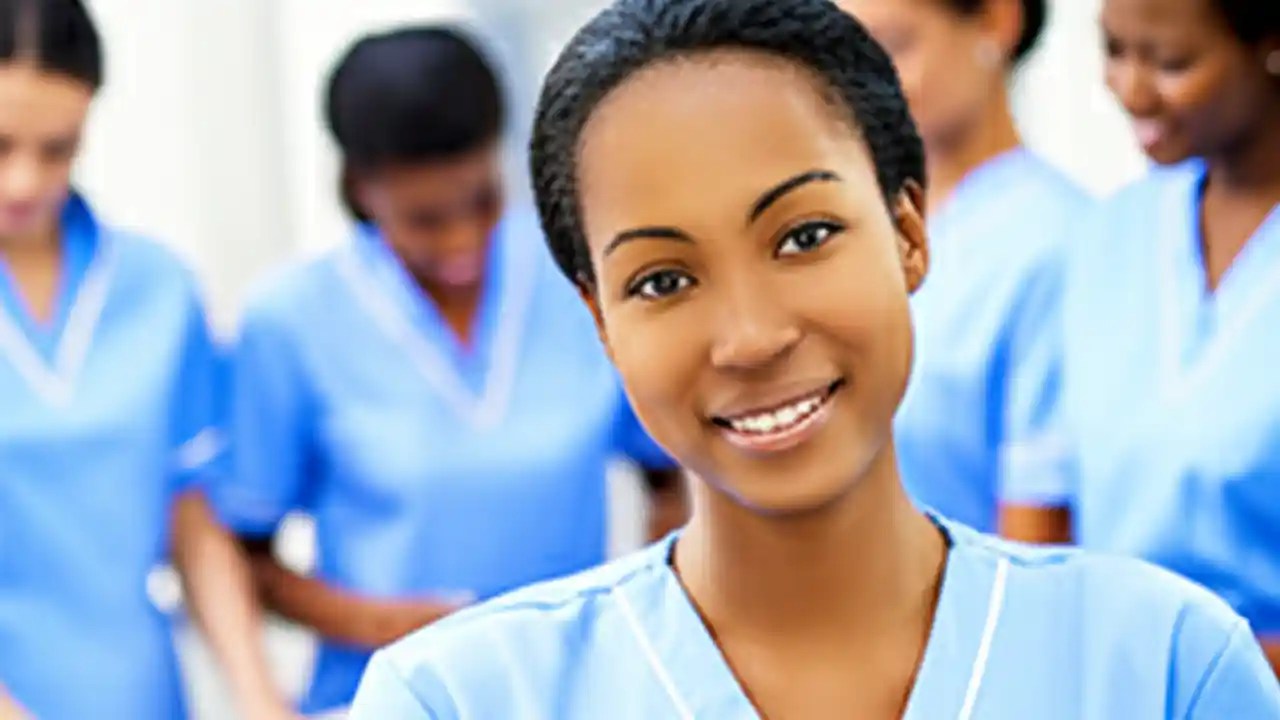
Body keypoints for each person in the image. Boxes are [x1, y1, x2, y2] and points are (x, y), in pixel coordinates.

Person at [347, 0, 1280, 717]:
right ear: (600, 320)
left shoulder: (1163, 664)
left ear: (909, 233)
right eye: (663, 281)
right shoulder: (455, 699)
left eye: (805, 235)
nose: (752, 337)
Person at [216, 26, 684, 716]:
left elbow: (668, 482)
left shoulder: (575, 274)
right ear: (359, 188)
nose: (462, 239)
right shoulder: (291, 321)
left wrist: (633, 633)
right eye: (425, 220)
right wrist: (395, 628)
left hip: (574, 695)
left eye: (483, 201)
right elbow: (244, 560)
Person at [0, 1, 292, 718]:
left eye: (57, 148)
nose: (25, 183)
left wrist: (259, 698)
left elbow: (193, 520)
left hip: (142, 694)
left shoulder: (157, 289)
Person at [1014, 0, 1280, 674]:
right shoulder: (1111, 234)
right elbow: (1045, 501)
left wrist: (1206, 670)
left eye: (1170, 62)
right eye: (1113, 51)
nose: (1129, 90)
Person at [837, 0, 1086, 535]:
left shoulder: (1058, 240)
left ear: (998, 20)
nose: (865, 83)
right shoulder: (851, 221)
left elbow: (1039, 532)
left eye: (895, 46)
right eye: (849, 54)